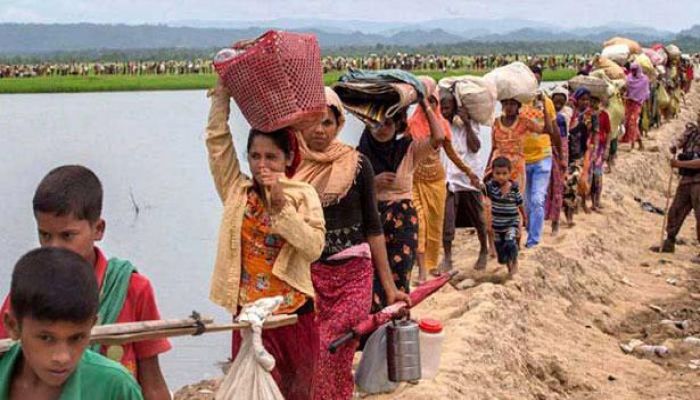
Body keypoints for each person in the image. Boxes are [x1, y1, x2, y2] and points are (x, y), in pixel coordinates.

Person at [0, 165, 171, 400]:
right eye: (45, 235)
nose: (54, 248)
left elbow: (152, 381)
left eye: (67, 236)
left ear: (98, 229)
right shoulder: (29, 293)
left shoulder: (131, 289)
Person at [205, 80, 325, 400]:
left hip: (293, 316)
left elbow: (314, 248)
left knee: (297, 393)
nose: (262, 166)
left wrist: (281, 206)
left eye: (271, 157)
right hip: (250, 317)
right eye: (255, 156)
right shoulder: (237, 192)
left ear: (288, 159)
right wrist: (222, 96)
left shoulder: (303, 195)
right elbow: (218, 145)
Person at [294, 87, 409, 400]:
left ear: (339, 125)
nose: (319, 129)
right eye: (313, 122)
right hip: (311, 276)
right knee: (315, 353)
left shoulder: (357, 165)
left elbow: (373, 230)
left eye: (327, 122)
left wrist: (389, 288)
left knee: (333, 346)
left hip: (354, 275)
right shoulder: (293, 169)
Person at [0, 247, 143, 399]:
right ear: (13, 325)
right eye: (46, 338)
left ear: (92, 325)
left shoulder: (115, 388)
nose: (62, 357)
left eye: (76, 338)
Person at [357, 94, 445, 312]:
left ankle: (397, 325)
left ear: (397, 125)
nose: (381, 129)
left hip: (402, 221)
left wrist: (424, 104)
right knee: (371, 276)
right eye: (375, 123)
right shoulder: (358, 156)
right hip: (370, 221)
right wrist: (372, 184)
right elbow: (350, 193)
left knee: (400, 275)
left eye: (387, 123)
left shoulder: (408, 150)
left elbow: (438, 137)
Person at [408, 77, 481, 279]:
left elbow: (452, 154)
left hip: (436, 182)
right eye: (425, 101)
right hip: (415, 181)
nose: (428, 106)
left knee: (434, 227)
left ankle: (431, 266)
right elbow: (402, 152)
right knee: (420, 224)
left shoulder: (442, 126)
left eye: (432, 101)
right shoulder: (411, 124)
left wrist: (469, 172)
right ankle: (422, 270)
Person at [438, 87, 491, 271]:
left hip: (470, 177)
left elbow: (475, 147)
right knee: (448, 219)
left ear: (455, 107)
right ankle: (448, 257)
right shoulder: (441, 126)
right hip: (449, 177)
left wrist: (467, 124)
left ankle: (484, 249)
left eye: (447, 108)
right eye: (441, 109)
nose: (444, 112)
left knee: (478, 217)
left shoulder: (469, 124)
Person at [521, 66, 559, 248]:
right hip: (522, 158)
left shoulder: (546, 103)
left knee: (537, 199)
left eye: (537, 80)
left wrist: (542, 108)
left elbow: (552, 130)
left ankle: (533, 241)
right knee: (526, 202)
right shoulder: (518, 103)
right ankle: (530, 231)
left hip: (543, 156)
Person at [660, 114, 700, 263]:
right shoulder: (692, 131)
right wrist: (675, 146)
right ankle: (670, 241)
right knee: (675, 210)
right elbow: (680, 140)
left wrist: (680, 164)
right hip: (687, 179)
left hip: (698, 181)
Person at [485, 157, 526, 277]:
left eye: (504, 173)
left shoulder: (514, 189)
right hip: (497, 227)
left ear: (510, 173)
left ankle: (515, 263)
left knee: (510, 242)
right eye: (497, 173)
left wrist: (524, 218)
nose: (501, 177)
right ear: (493, 173)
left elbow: (520, 204)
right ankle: (508, 266)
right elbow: (480, 188)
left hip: (511, 224)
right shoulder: (491, 188)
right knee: (501, 254)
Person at [547, 86, 572, 235]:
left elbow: (562, 140)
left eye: (561, 102)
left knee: (558, 186)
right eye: (556, 101)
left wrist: (563, 158)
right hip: (547, 149)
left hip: (559, 150)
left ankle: (555, 222)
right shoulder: (547, 114)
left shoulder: (563, 117)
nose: (558, 104)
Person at [588, 95, 611, 211]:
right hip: (588, 148)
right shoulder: (587, 115)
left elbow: (608, 132)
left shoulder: (604, 115)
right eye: (590, 101)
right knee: (589, 176)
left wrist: (607, 149)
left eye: (595, 101)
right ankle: (591, 201)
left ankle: (596, 201)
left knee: (597, 175)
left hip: (599, 149)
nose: (592, 103)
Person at [621, 63, 650, 151]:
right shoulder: (629, 78)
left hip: (637, 103)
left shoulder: (644, 79)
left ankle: (633, 143)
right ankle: (637, 142)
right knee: (628, 122)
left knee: (632, 122)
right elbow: (626, 88)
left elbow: (646, 92)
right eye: (632, 70)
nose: (633, 72)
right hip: (629, 102)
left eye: (634, 70)